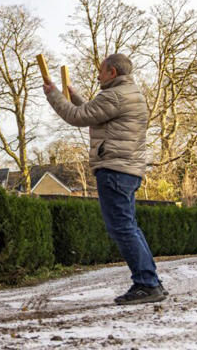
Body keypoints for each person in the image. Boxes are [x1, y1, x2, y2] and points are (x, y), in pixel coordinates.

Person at [42, 53, 167, 305]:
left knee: (121, 228)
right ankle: (151, 281)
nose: (97, 75)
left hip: (114, 170)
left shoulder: (114, 95)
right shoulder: (129, 93)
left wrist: (52, 94)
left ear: (112, 72)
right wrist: (73, 96)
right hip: (128, 169)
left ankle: (146, 283)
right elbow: (91, 112)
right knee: (129, 226)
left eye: (101, 71)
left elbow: (77, 117)